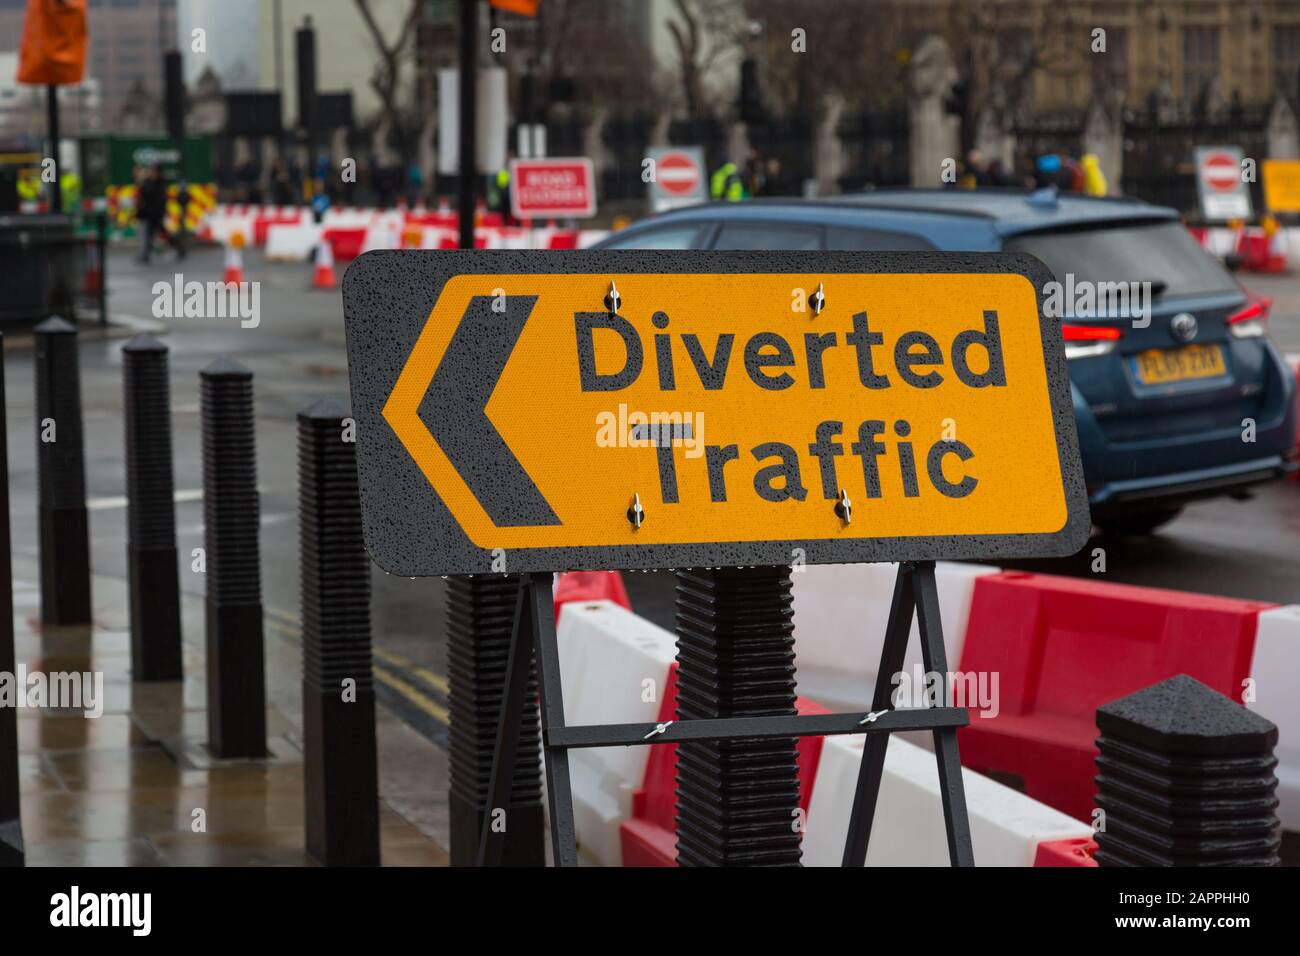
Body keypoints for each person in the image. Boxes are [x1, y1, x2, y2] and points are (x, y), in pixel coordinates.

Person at [136, 165, 171, 264]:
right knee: (148, 235)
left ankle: (145, 255)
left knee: (157, 234)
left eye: (153, 172)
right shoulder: (149, 182)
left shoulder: (159, 184)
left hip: (155, 214)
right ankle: (145, 255)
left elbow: (151, 195)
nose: (152, 174)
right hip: (149, 214)